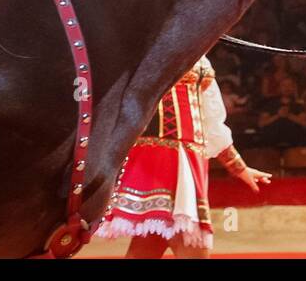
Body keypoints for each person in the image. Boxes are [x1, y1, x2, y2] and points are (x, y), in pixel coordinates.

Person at [92, 56, 271, 258]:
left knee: (152, 239)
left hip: (185, 156)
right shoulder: (154, 46)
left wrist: (237, 166)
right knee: (187, 240)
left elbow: (211, 121)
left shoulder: (199, 58)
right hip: (168, 157)